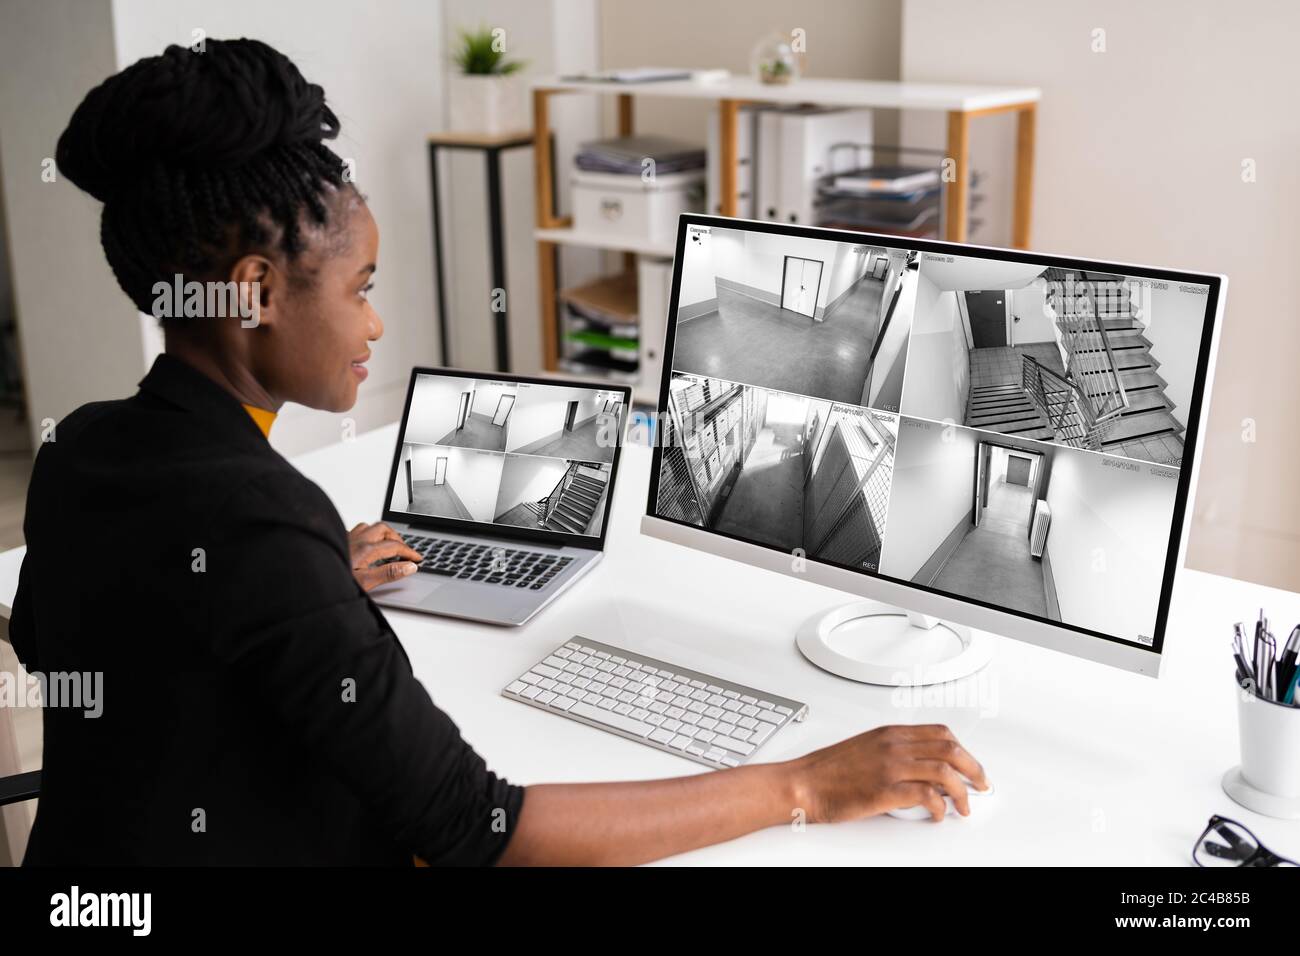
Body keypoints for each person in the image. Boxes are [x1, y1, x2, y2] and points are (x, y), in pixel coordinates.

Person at [10, 38, 987, 866]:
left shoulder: (82, 451)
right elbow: (473, 825)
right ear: (257, 291)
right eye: (360, 286)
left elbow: (57, 635)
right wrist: (804, 781)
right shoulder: (262, 525)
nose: (377, 321)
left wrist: (300, 583)